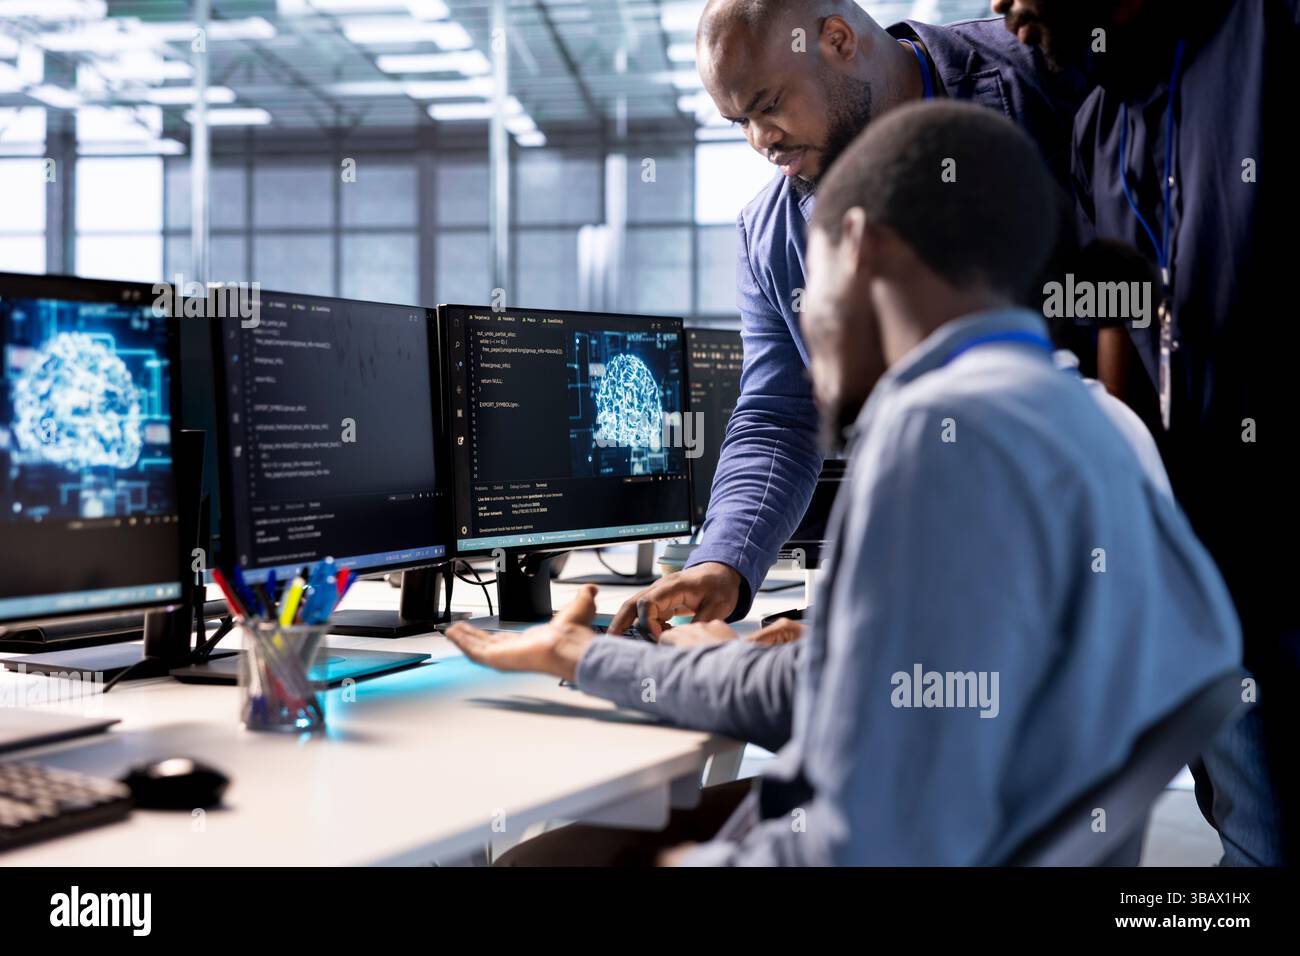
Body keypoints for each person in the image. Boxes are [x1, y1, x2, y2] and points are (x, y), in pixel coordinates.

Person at [446, 101, 1241, 866]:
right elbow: (872, 693)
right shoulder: (1097, 420)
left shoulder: (937, 432)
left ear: (856, 244)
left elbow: (871, 842)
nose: (803, 336)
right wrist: (587, 656)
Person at [608, 0, 1091, 636]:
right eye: (738, 123)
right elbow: (780, 415)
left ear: (836, 39)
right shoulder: (771, 233)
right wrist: (725, 559)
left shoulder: (1053, 74)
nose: (761, 140)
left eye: (769, 104)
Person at [993, 0, 1299, 868]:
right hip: (1211, 560)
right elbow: (1118, 322)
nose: (1001, 8)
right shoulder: (1097, 122)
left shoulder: (1269, 33)